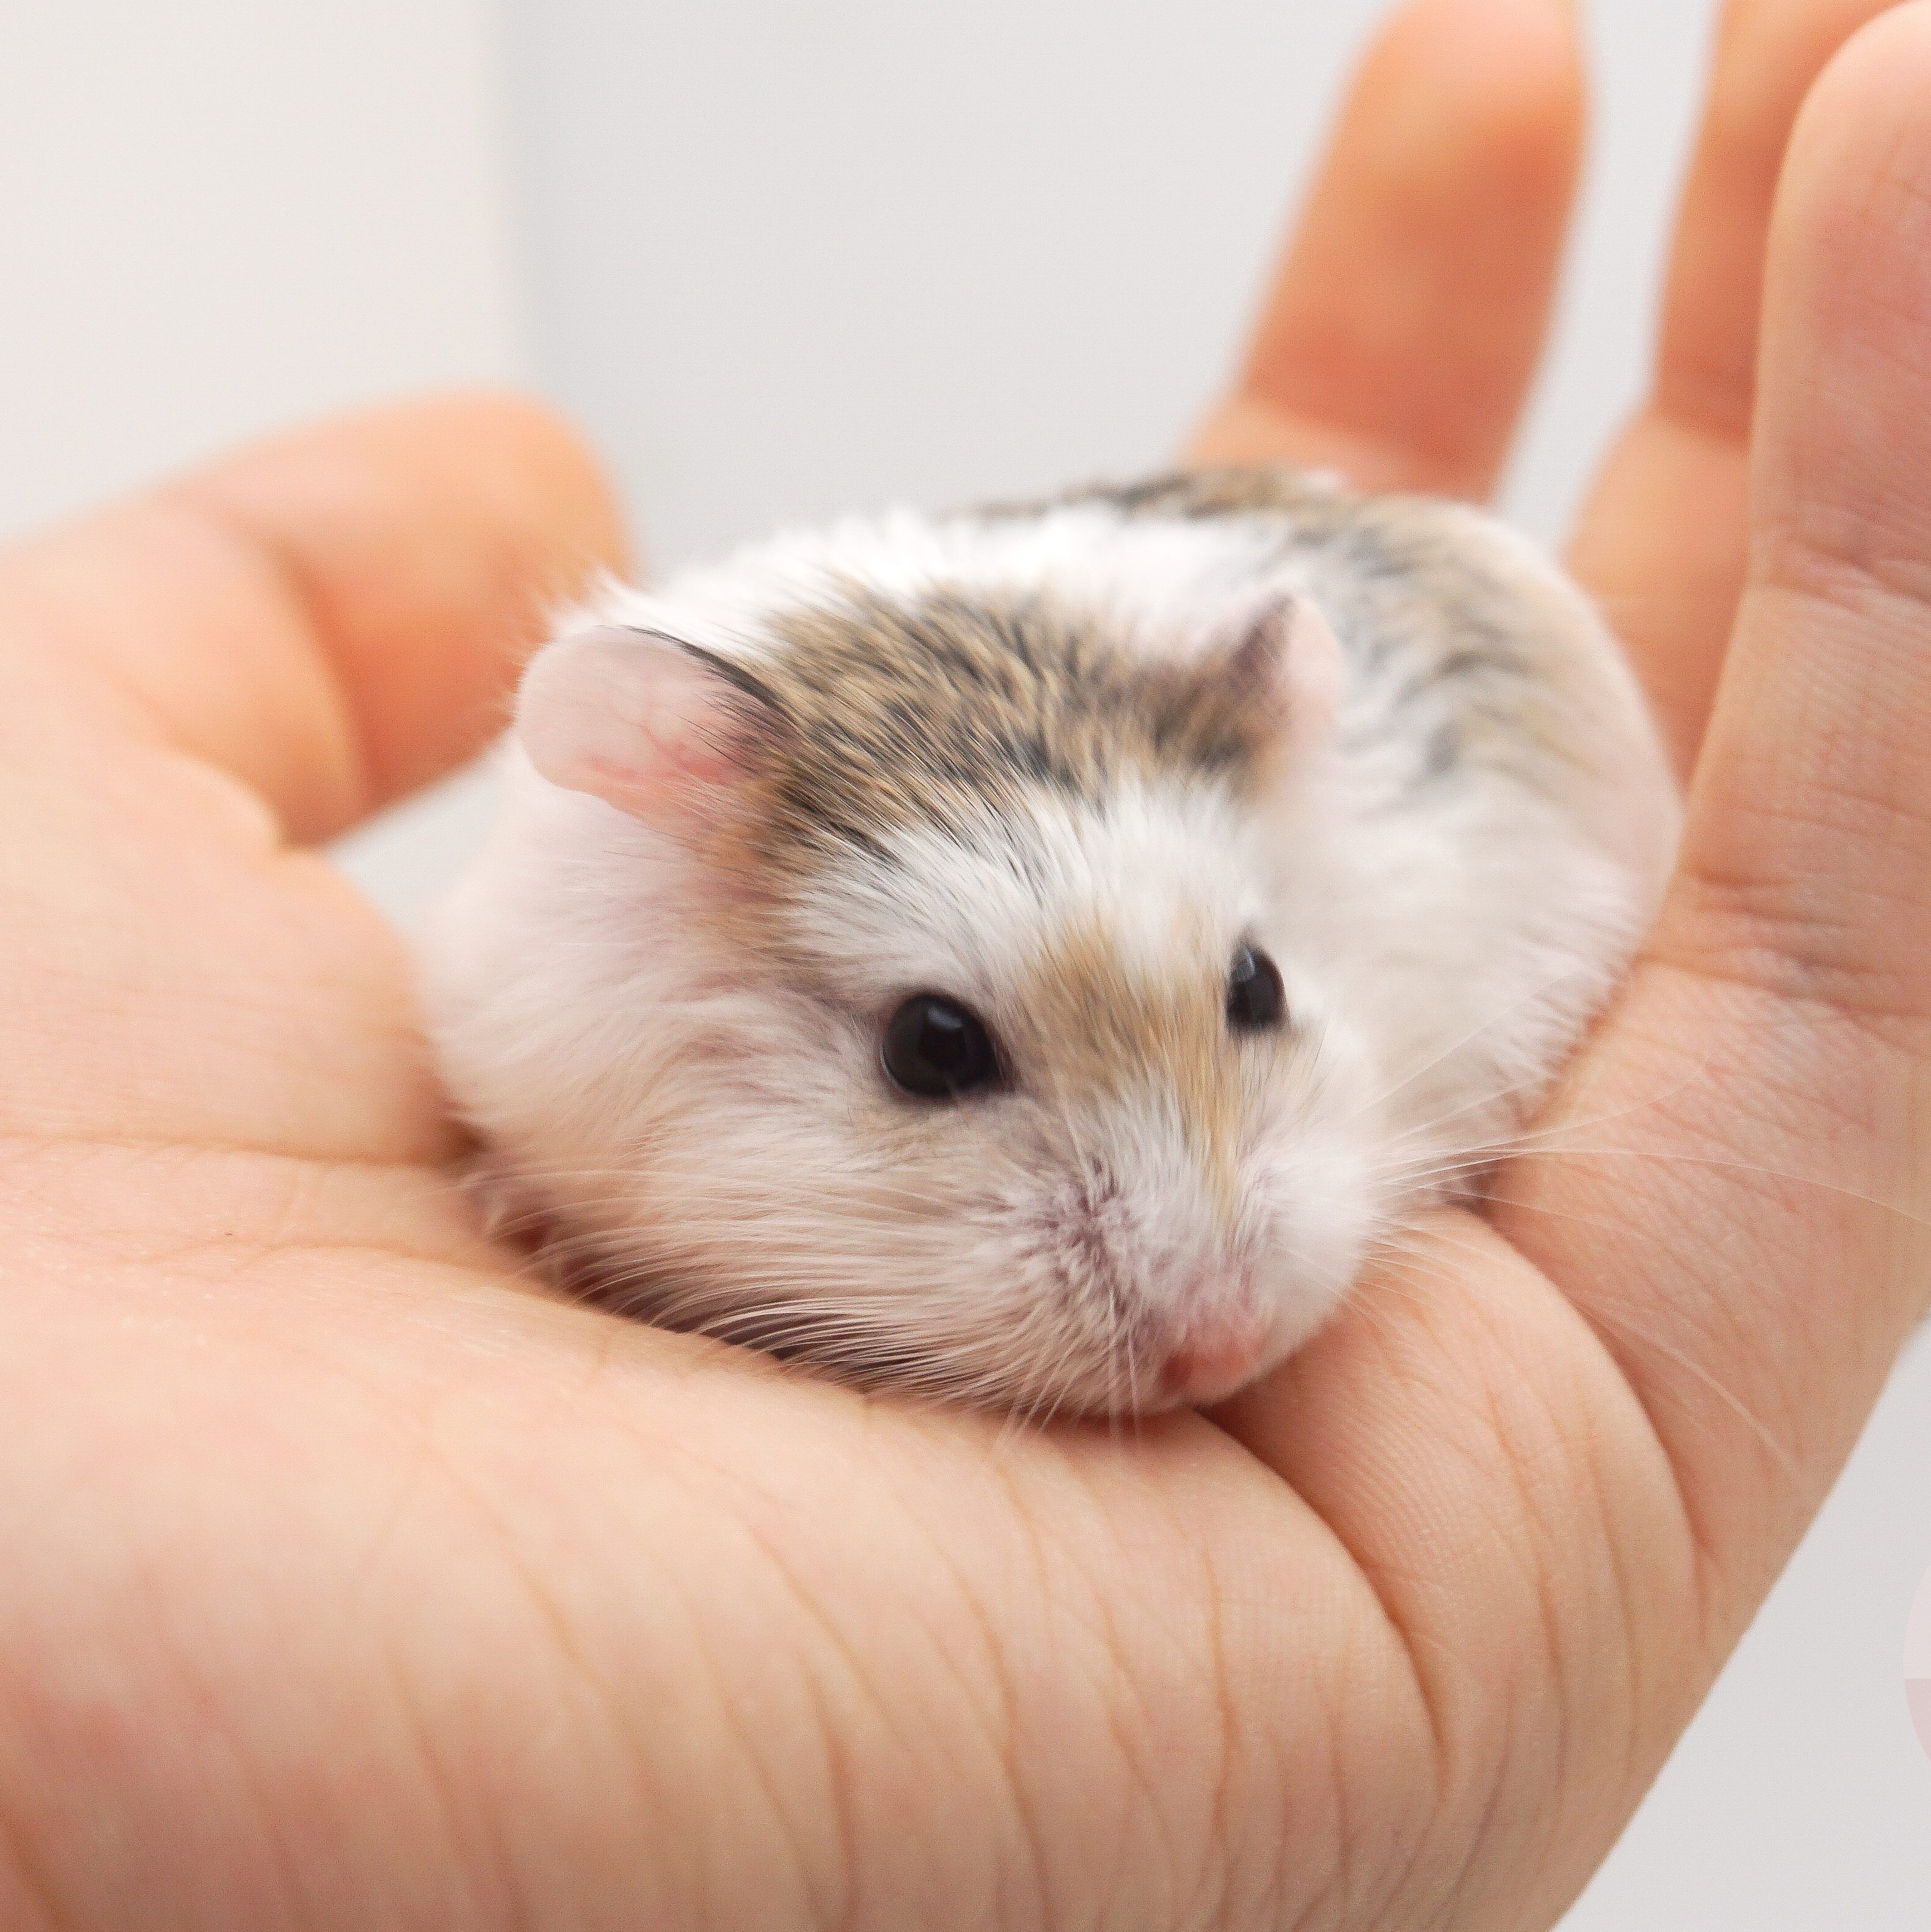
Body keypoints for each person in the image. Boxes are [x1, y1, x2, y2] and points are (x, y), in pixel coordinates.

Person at [2, 0, 1925, 1924]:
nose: (1205, 1320)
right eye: (940, 1050)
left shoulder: (1329, 755)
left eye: (1244, 1005)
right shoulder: (591, 883)